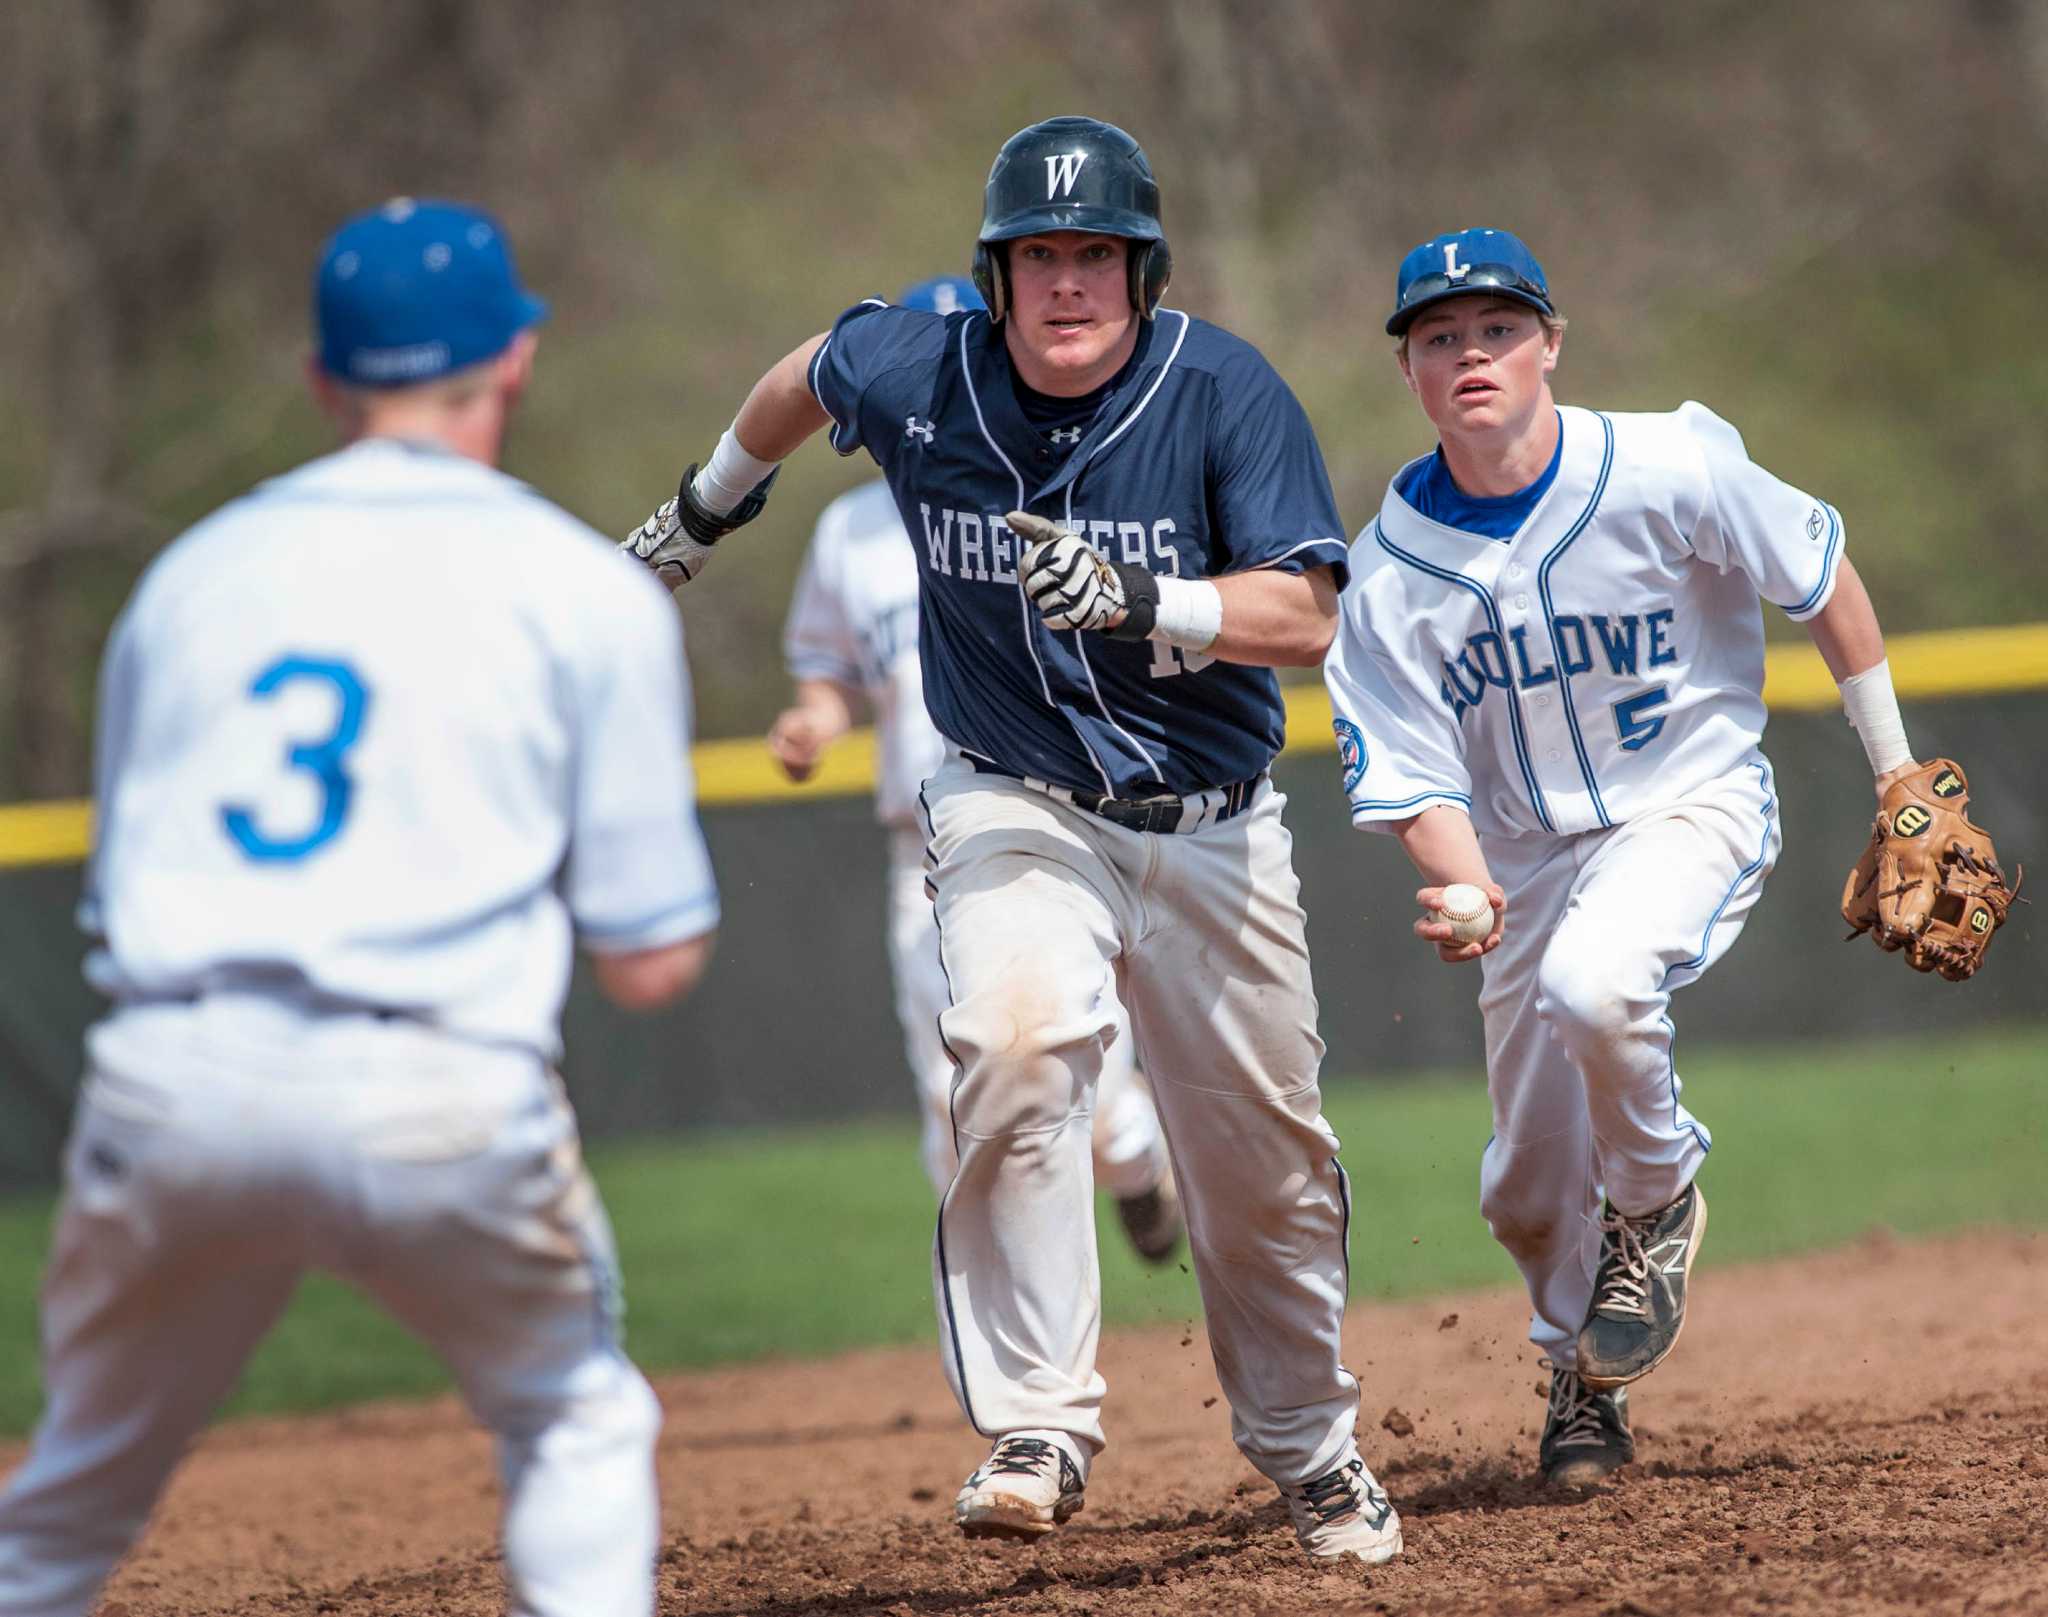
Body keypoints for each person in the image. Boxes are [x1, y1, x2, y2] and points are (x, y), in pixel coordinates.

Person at [624, 118, 1401, 1565]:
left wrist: (1144, 599)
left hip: (1212, 823)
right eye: (1037, 256)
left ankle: (1312, 1449)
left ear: (1142, 271)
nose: (1065, 283)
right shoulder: (921, 370)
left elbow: (1308, 614)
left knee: (1264, 1168)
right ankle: (1039, 1415)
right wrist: (701, 510)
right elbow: (808, 372)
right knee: (1013, 1038)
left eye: (1093, 254)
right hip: (1012, 798)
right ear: (995, 275)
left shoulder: (1225, 390)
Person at [0, 198, 717, 1617]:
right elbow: (652, 961)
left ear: (325, 380)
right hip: (435, 1084)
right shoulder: (585, 588)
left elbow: (122, 885)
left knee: (73, 1491)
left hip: (174, 1074)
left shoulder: (185, 580)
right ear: (514, 360)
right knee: (572, 1416)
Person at [1324, 226, 1934, 1488]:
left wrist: (1897, 777)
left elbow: (1817, 576)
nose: (1470, 352)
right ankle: (1581, 1382)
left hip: (1686, 805)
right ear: (1408, 372)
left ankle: (1653, 1204)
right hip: (1520, 857)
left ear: (1550, 344)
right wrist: (1466, 884)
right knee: (1524, 1195)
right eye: (1438, 336)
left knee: (1596, 984)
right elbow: (1408, 777)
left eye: (1496, 328)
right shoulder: (1386, 570)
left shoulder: (1664, 463)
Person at [768, 272, 1184, 1262]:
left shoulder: (1063, 492)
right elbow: (827, 663)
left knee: (1085, 1075)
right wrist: (814, 719)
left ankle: (1130, 1163)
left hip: (1056, 818)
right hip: (922, 847)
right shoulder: (850, 532)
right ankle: (996, 1286)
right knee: (950, 1089)